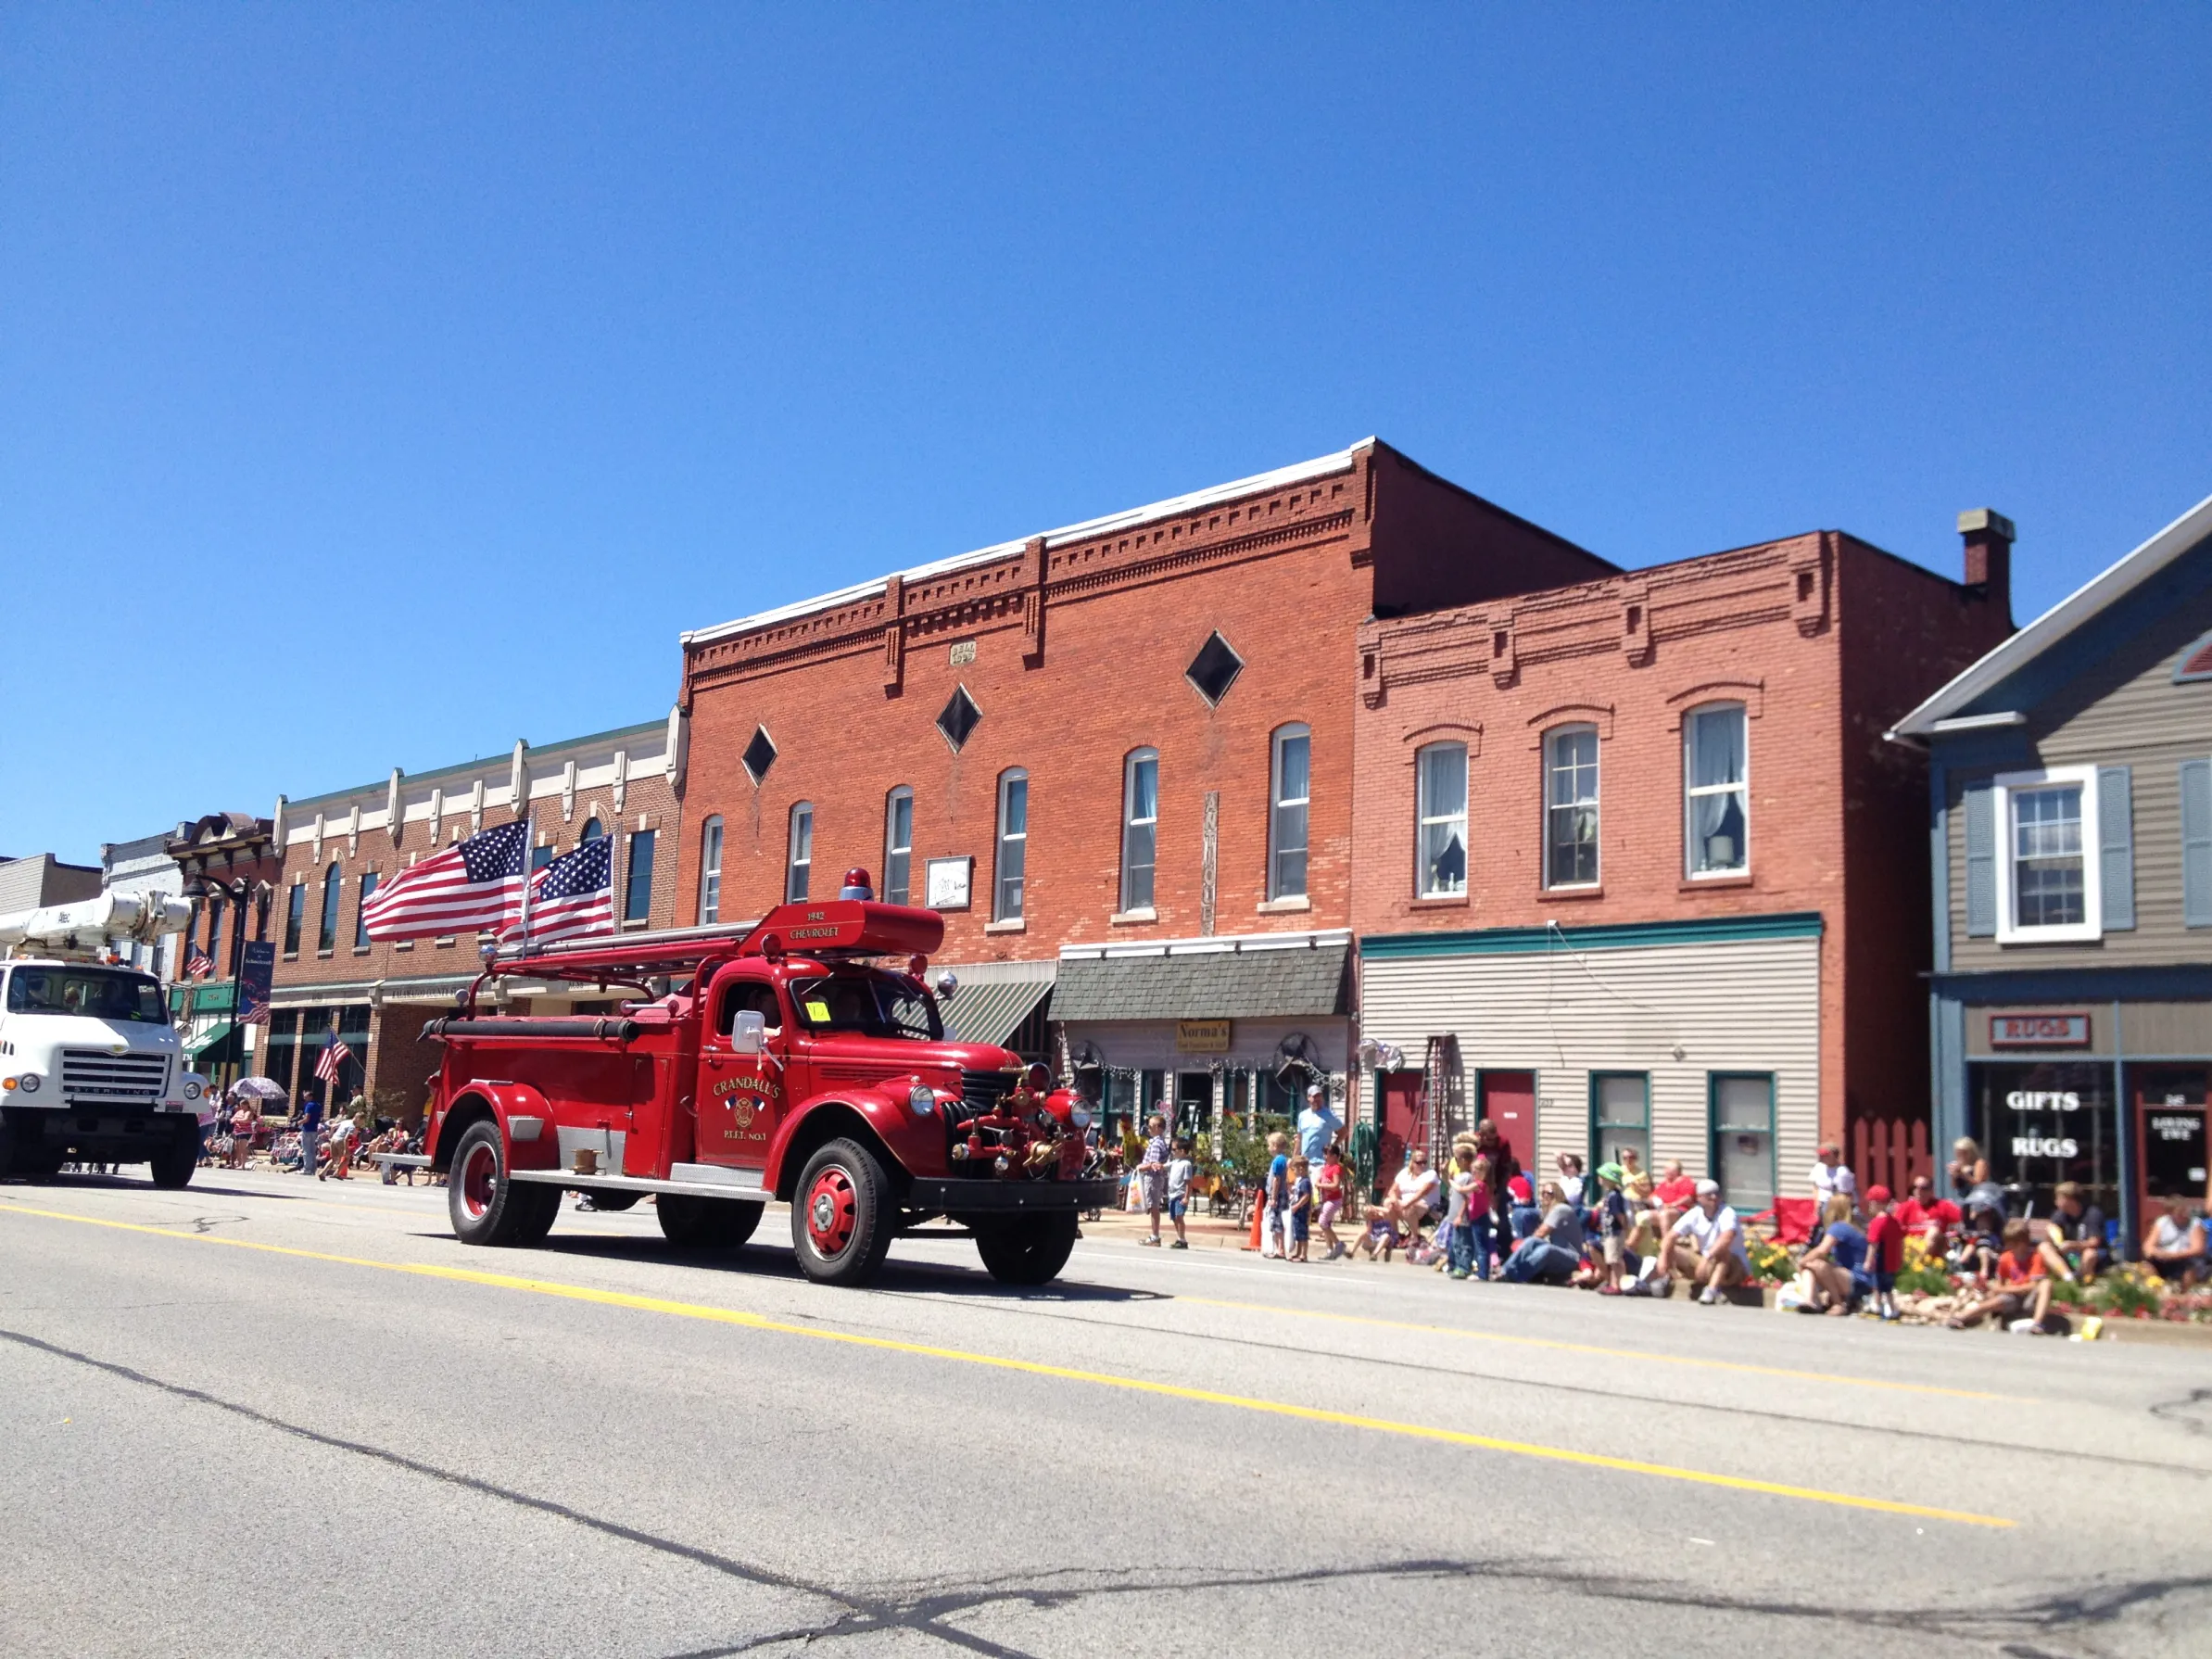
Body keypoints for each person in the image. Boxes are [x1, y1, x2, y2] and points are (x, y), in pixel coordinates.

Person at [1948, 1219, 2053, 1331]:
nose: (2009, 1247)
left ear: (2022, 1243)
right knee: (1995, 1301)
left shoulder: (2035, 1257)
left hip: (2029, 1299)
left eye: (2012, 1244)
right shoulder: (2005, 1258)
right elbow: (1999, 1286)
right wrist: (1995, 1291)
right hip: (2012, 1298)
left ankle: (2037, 1324)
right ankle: (1961, 1317)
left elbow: (2032, 1286)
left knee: (2046, 1283)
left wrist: (2007, 1289)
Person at [1657, 1180, 1750, 1305]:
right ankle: (1665, 1280)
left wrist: (1706, 1258)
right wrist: (1663, 1258)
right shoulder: (1695, 1213)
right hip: (1705, 1264)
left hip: (1734, 1269)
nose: (1714, 1197)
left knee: (1723, 1252)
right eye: (1709, 1194)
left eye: (1717, 1193)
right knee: (1672, 1248)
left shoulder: (1727, 1212)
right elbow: (1670, 1236)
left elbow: (1727, 1237)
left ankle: (1712, 1290)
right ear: (1699, 1198)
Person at [1499, 1180, 1586, 1285]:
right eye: (1543, 1193)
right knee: (1532, 1241)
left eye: (1549, 1193)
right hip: (1559, 1251)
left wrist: (1525, 1245)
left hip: (1572, 1257)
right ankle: (1504, 1271)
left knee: (1545, 1249)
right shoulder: (1549, 1210)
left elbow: (1542, 1232)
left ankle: (1516, 1275)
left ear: (1557, 1194)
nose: (1545, 1196)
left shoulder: (1561, 1209)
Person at [1798, 1196, 1871, 1316]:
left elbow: (1822, 1250)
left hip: (1856, 1280)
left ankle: (1838, 1303)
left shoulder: (1838, 1227)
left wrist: (1802, 1261)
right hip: (1857, 1279)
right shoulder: (1854, 1227)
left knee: (1816, 1264)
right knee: (1809, 1268)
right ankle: (1809, 1301)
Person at [2039, 1182, 2108, 1284]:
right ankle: (2068, 1279)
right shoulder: (2059, 1215)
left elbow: (2094, 1242)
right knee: (2044, 1247)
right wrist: (2050, 1233)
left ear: (2069, 1199)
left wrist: (2073, 1245)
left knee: (2090, 1254)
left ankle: (2084, 1282)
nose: (2056, 1202)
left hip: (2090, 1254)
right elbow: (2049, 1240)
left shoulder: (2092, 1213)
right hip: (2068, 1254)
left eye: (2059, 1199)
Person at [2142, 1196, 2207, 1286]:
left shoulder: (2195, 1224)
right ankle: (2156, 1289)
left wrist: (2174, 1255)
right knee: (2148, 1264)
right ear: (2170, 1213)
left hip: (2185, 1258)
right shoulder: (2162, 1222)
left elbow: (2198, 1249)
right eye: (2180, 1212)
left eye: (2185, 1211)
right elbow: (2148, 1245)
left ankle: (2185, 1293)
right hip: (2166, 1257)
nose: (2184, 1214)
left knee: (2190, 1267)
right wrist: (2157, 1252)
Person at [1863, 1184, 1904, 1321]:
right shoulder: (1894, 1221)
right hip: (1892, 1260)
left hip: (1881, 1259)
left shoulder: (1876, 1222)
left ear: (1876, 1203)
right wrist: (1901, 1258)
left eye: (1871, 1202)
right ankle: (1892, 1310)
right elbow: (1900, 1240)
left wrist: (1868, 1261)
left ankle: (1877, 1306)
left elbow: (1873, 1244)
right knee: (1888, 1287)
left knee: (1877, 1285)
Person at [1592, 1162, 1634, 1295]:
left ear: (1608, 1179)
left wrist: (1625, 1229)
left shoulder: (1614, 1196)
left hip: (1615, 1232)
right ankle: (1616, 1283)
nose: (1599, 1178)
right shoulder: (1609, 1195)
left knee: (1615, 1260)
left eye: (1601, 1176)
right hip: (1609, 1232)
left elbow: (1619, 1214)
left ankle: (1616, 1285)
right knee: (1613, 1259)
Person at [1384, 1147, 1441, 1242]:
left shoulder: (1431, 1174)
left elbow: (1422, 1193)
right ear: (1412, 1163)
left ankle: (1415, 1237)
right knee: (1387, 1203)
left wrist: (1406, 1204)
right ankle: (1396, 1236)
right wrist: (1395, 1201)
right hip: (1404, 1206)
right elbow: (1392, 1191)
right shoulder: (1404, 1173)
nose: (1422, 1165)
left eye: (1424, 1162)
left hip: (1427, 1208)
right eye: (1419, 1162)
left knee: (1410, 1206)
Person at [1895, 1175, 1962, 1250]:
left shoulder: (1942, 1205)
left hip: (1936, 1250)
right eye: (1915, 1187)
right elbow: (1896, 1229)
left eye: (1923, 1188)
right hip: (1911, 1247)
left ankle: (1919, 1260)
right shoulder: (1905, 1207)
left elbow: (1963, 1218)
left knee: (1933, 1231)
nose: (1918, 1191)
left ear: (1931, 1190)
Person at [1443, 1146, 1480, 1280]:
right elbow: (1451, 1187)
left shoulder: (1469, 1178)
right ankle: (1455, 1265)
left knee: (1464, 1243)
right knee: (1455, 1243)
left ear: (1464, 1160)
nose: (1456, 1161)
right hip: (1455, 1215)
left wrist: (1460, 1215)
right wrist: (1445, 1174)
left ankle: (1464, 1267)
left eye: (1457, 1158)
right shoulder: (1459, 1176)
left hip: (1463, 1216)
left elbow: (1467, 1198)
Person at [1808, 1143, 1857, 1235]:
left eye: (1825, 1155)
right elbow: (1815, 1186)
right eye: (1821, 1155)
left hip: (1834, 1204)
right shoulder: (1819, 1167)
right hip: (1820, 1203)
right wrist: (1816, 1203)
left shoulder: (1842, 1173)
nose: (1821, 1157)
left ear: (1834, 1156)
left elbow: (1845, 1196)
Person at [1261, 1132, 1291, 1260]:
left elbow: (1276, 1180)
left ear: (1275, 1145)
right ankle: (1278, 1247)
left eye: (1269, 1145)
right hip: (1281, 1194)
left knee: (1276, 1221)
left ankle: (1280, 1249)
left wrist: (1273, 1197)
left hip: (1278, 1194)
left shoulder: (1279, 1161)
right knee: (1276, 1221)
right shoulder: (1283, 1159)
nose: (1268, 1148)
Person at [1296, 1083, 1341, 1162]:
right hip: (1305, 1162)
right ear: (1308, 1098)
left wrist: (1332, 1148)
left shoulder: (1329, 1114)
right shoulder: (1302, 1115)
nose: (1317, 1099)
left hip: (1322, 1162)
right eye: (1314, 1096)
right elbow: (1299, 1139)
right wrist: (1294, 1158)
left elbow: (1343, 1132)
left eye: (1319, 1096)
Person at [1315, 1147, 1346, 1260]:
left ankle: (1339, 1244)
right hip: (1326, 1199)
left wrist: (1321, 1185)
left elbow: (1335, 1185)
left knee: (1322, 1222)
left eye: (1327, 1154)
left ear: (1334, 1156)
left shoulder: (1336, 1168)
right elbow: (1318, 1180)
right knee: (1326, 1225)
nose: (1325, 1157)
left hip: (1334, 1200)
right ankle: (1329, 1250)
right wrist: (1319, 1183)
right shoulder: (1325, 1168)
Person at [1164, 1137, 1194, 1249]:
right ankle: (1179, 1237)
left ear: (1182, 1151)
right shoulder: (1175, 1162)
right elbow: (1164, 1167)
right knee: (1174, 1217)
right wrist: (1156, 1166)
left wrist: (1186, 1197)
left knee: (1179, 1216)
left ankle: (1182, 1239)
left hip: (1180, 1195)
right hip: (1172, 1195)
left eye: (1174, 1149)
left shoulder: (1187, 1164)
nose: (1172, 1151)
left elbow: (1188, 1182)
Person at [1284, 1156, 1314, 1262]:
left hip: (1302, 1211)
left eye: (1295, 1169)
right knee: (1297, 1232)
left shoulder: (1305, 1182)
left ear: (1301, 1169)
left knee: (1303, 1233)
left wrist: (1297, 1206)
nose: (1294, 1171)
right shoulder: (1300, 1181)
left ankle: (1303, 1254)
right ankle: (1298, 1252)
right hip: (1297, 1211)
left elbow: (1306, 1196)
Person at [1947, 1136, 1991, 1201]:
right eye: (1958, 1153)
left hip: (1977, 1199)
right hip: (1962, 1198)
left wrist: (1963, 1175)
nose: (1961, 1156)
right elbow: (1955, 1186)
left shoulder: (1979, 1163)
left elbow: (1979, 1183)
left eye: (1964, 1153)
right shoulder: (1960, 1165)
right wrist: (1954, 1176)